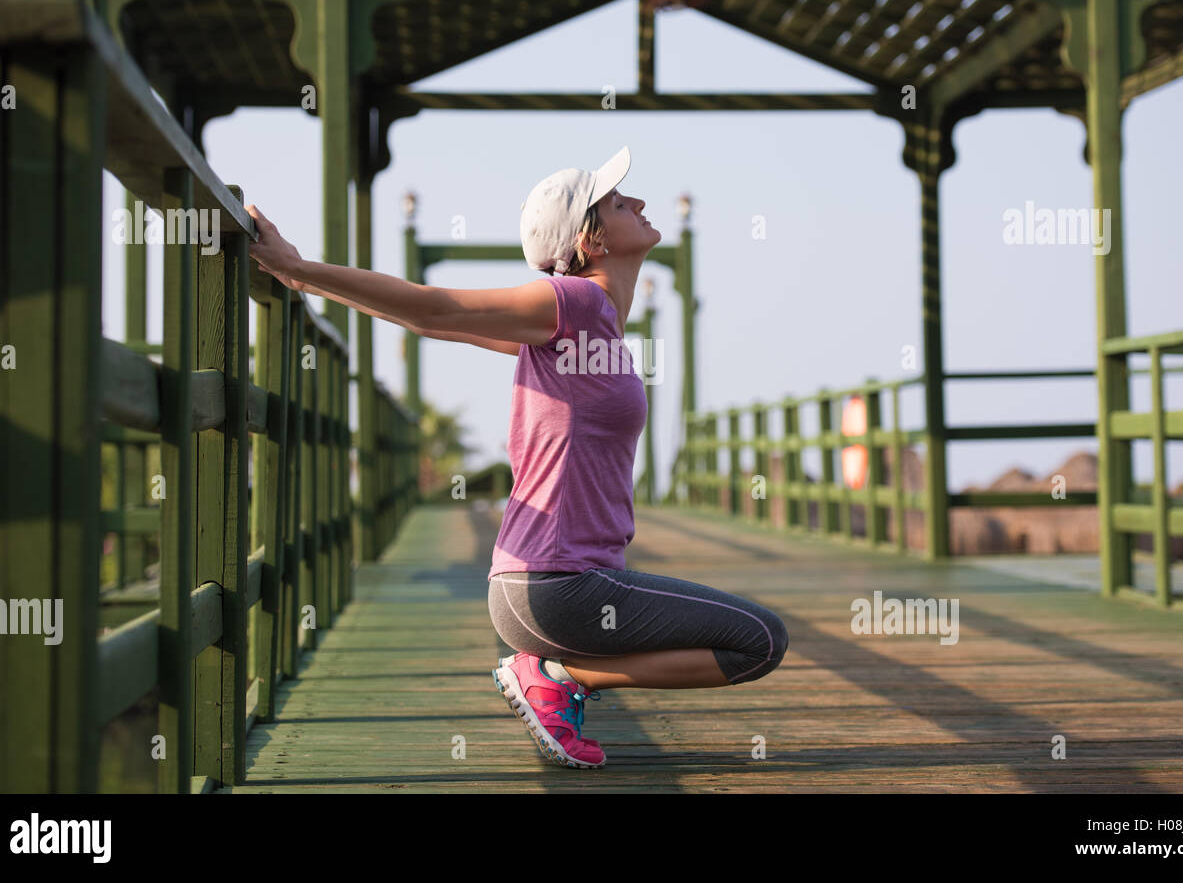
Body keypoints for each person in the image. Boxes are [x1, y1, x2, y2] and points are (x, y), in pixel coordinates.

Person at [246, 145, 789, 771]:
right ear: (590, 240)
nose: (638, 202)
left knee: (755, 639)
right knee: (760, 640)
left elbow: (434, 323)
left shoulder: (590, 324)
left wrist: (303, 277)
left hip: (538, 588)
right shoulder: (573, 303)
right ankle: (558, 677)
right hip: (557, 587)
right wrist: (299, 270)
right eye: (617, 201)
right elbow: (434, 308)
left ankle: (556, 672)